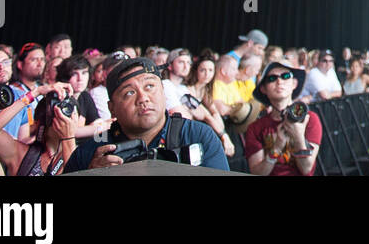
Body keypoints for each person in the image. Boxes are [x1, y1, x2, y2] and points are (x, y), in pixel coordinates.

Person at [64, 57, 228, 172]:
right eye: (129, 93)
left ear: (164, 92)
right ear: (112, 108)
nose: (143, 98)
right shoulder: (92, 152)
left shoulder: (197, 136)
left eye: (149, 86)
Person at [245, 62, 322, 176]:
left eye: (285, 76)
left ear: (294, 84)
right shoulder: (255, 128)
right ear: (263, 89)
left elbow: (306, 169)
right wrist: (276, 148)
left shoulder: (310, 119)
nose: (279, 81)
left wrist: (298, 137)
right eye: (272, 78)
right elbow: (257, 172)